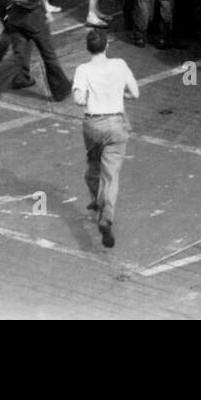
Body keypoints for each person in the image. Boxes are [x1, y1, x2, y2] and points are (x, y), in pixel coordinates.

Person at [71, 28, 139, 249]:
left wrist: (93, 95)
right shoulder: (119, 64)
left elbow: (79, 99)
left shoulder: (83, 69)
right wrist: (118, 93)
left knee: (92, 168)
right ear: (106, 46)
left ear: (88, 47)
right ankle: (106, 215)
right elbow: (135, 93)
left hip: (93, 124)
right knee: (110, 175)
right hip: (116, 124)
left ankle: (98, 202)